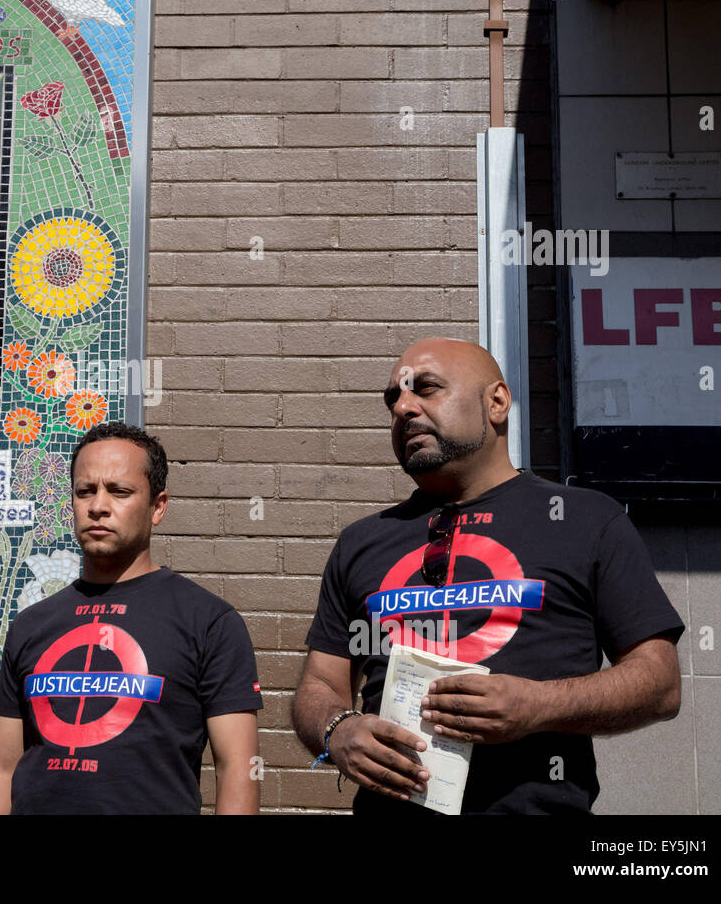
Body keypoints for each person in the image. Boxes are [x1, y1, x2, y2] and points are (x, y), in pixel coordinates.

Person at [292, 338, 684, 814]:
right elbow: (320, 685)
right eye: (393, 399)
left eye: (426, 389)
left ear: (496, 402)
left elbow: (659, 683)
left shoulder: (585, 520)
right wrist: (339, 731)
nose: (404, 408)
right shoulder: (363, 541)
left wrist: (538, 706)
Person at [0, 422, 263, 814]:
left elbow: (237, 768)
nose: (98, 506)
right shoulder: (32, 624)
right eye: (84, 491)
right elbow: (0, 767)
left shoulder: (209, 622)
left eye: (119, 492)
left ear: (158, 507)